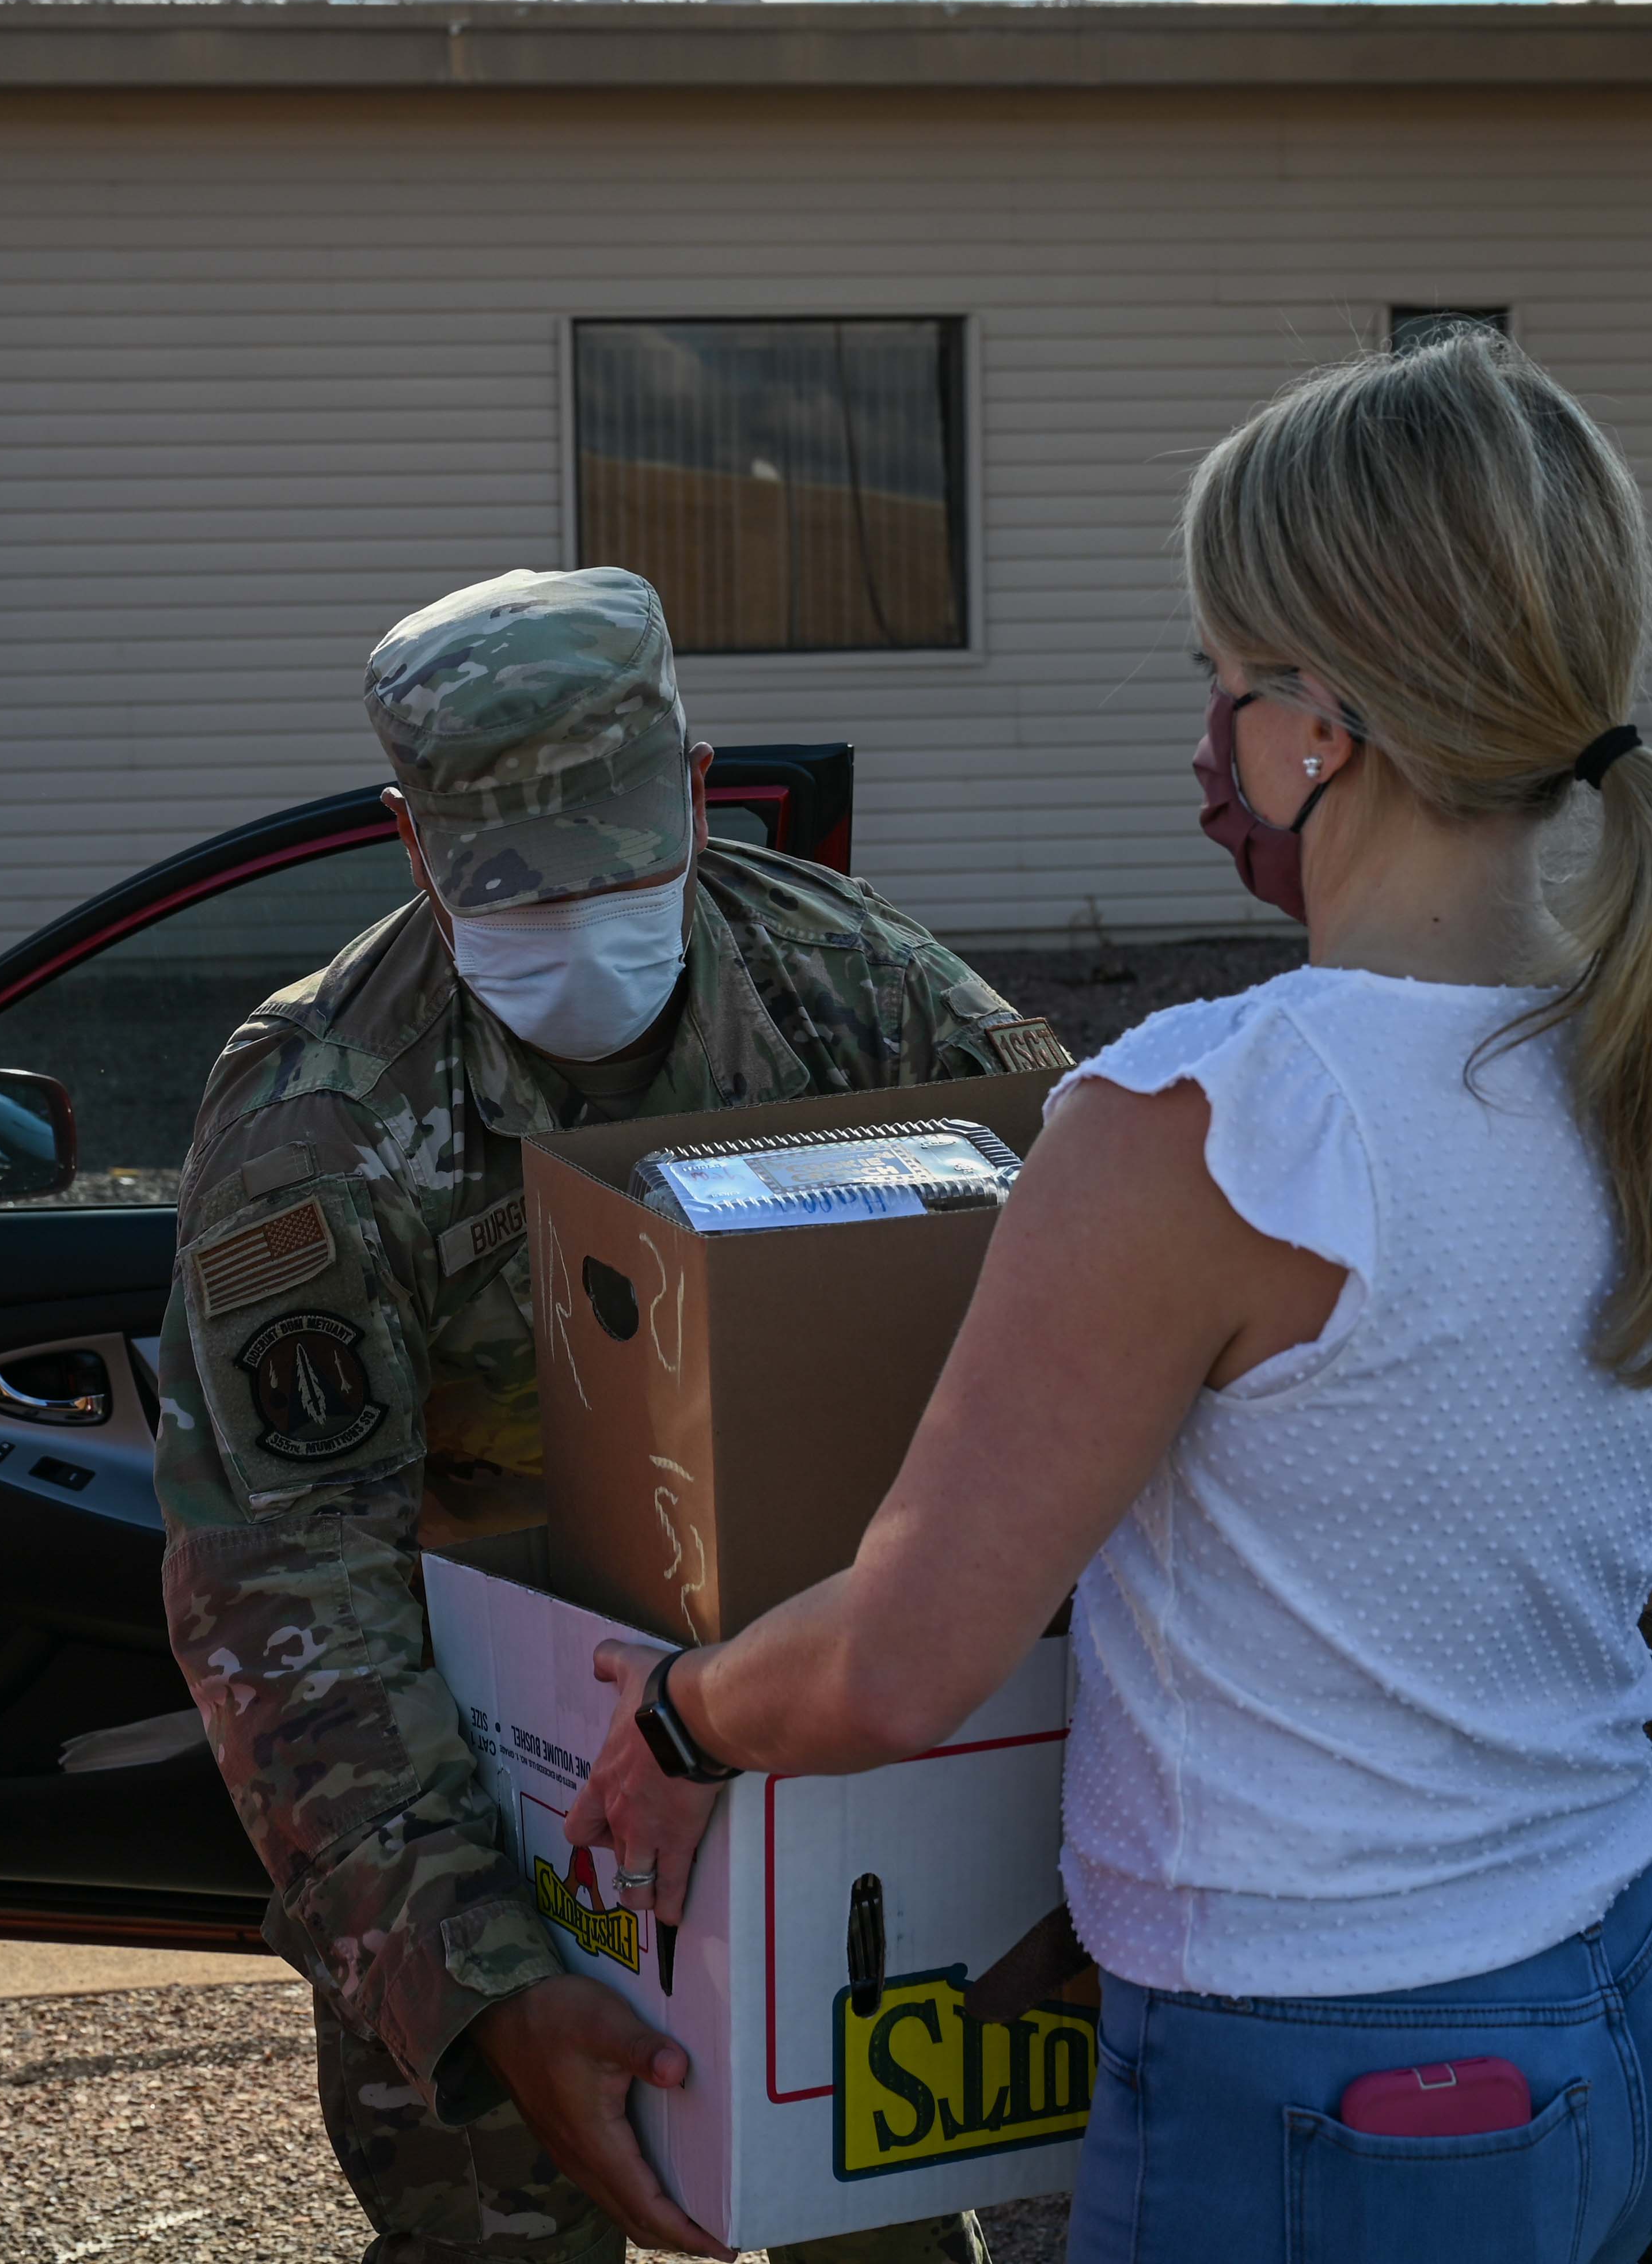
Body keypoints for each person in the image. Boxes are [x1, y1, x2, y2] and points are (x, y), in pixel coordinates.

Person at [561, 332, 1652, 2264]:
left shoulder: (1219, 1119)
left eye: (1217, 672)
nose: (1208, 730)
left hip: (1328, 2071)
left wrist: (675, 1718)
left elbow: (900, 1664)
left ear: (1320, 715)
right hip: (1610, 1991)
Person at [155, 566, 1073, 2264]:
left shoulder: (867, 1000)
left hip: (828, 1770)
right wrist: (478, 1981)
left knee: (868, 2226)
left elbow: (1097, 1366)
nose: (575, 917)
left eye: (616, 855)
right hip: (473, 1791)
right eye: (512, 875)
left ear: (699, 791)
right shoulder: (320, 1121)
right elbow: (281, 1593)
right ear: (413, 845)